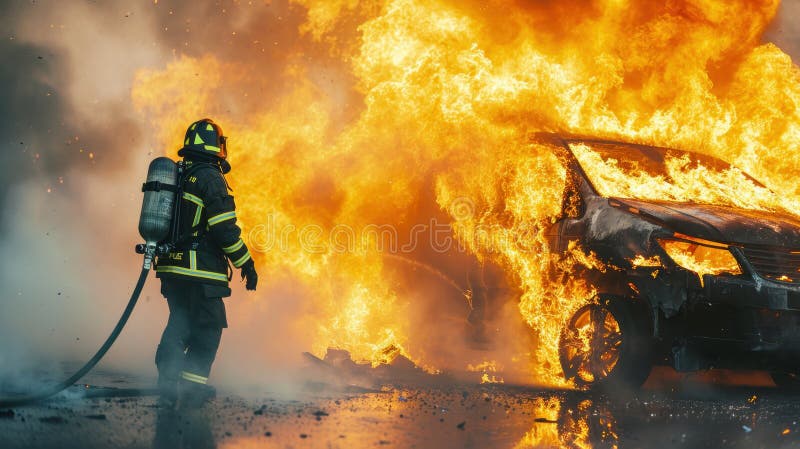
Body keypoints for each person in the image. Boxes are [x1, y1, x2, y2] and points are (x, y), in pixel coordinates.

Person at [154, 118, 258, 409]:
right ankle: (190, 390)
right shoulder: (211, 177)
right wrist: (246, 263)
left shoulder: (182, 174)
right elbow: (224, 229)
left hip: (172, 268)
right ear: (217, 147)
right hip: (200, 271)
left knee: (181, 321)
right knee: (207, 330)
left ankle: (167, 382)